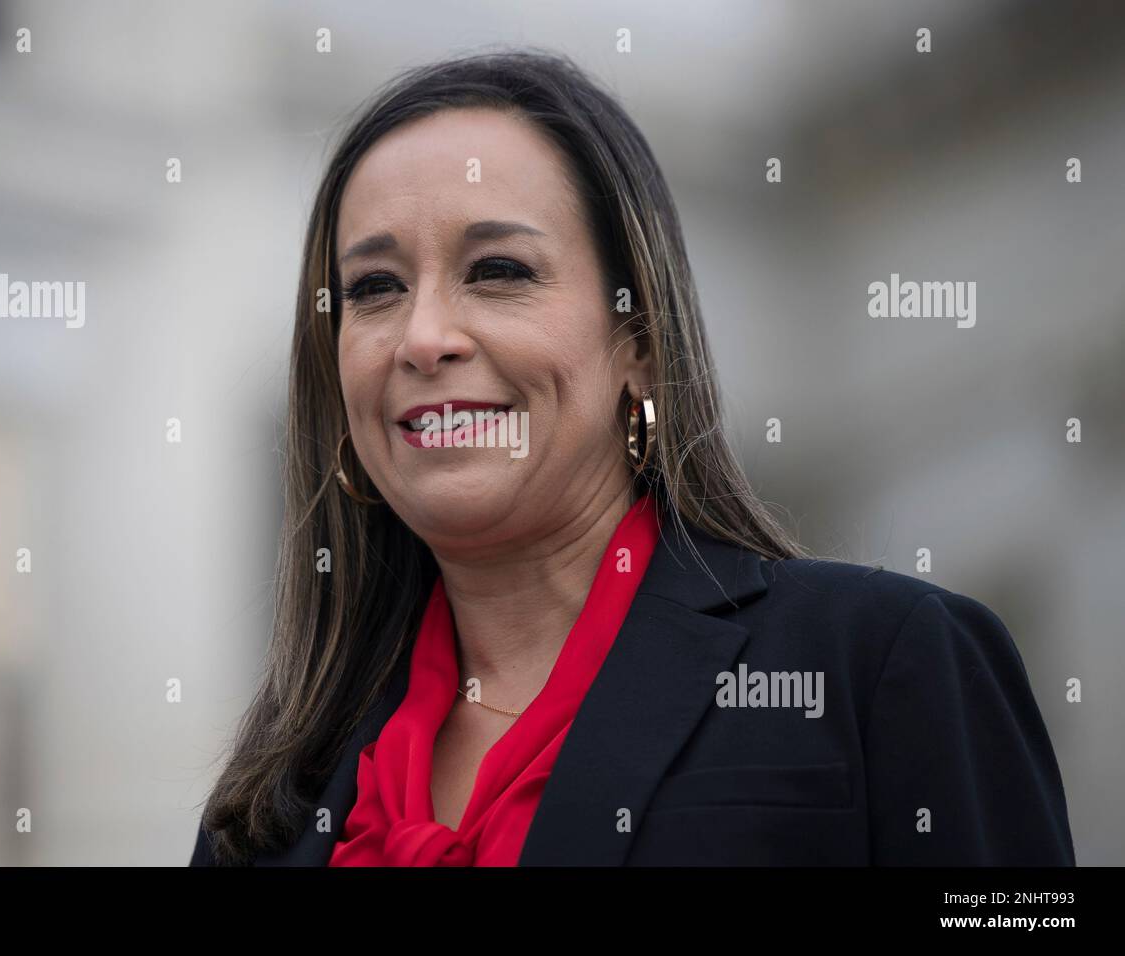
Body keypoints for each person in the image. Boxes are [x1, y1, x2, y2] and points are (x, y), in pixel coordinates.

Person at [189, 48, 1074, 866]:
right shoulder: (269, 811)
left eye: (498, 270)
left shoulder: (881, 667)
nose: (424, 338)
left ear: (638, 339)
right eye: (375, 289)